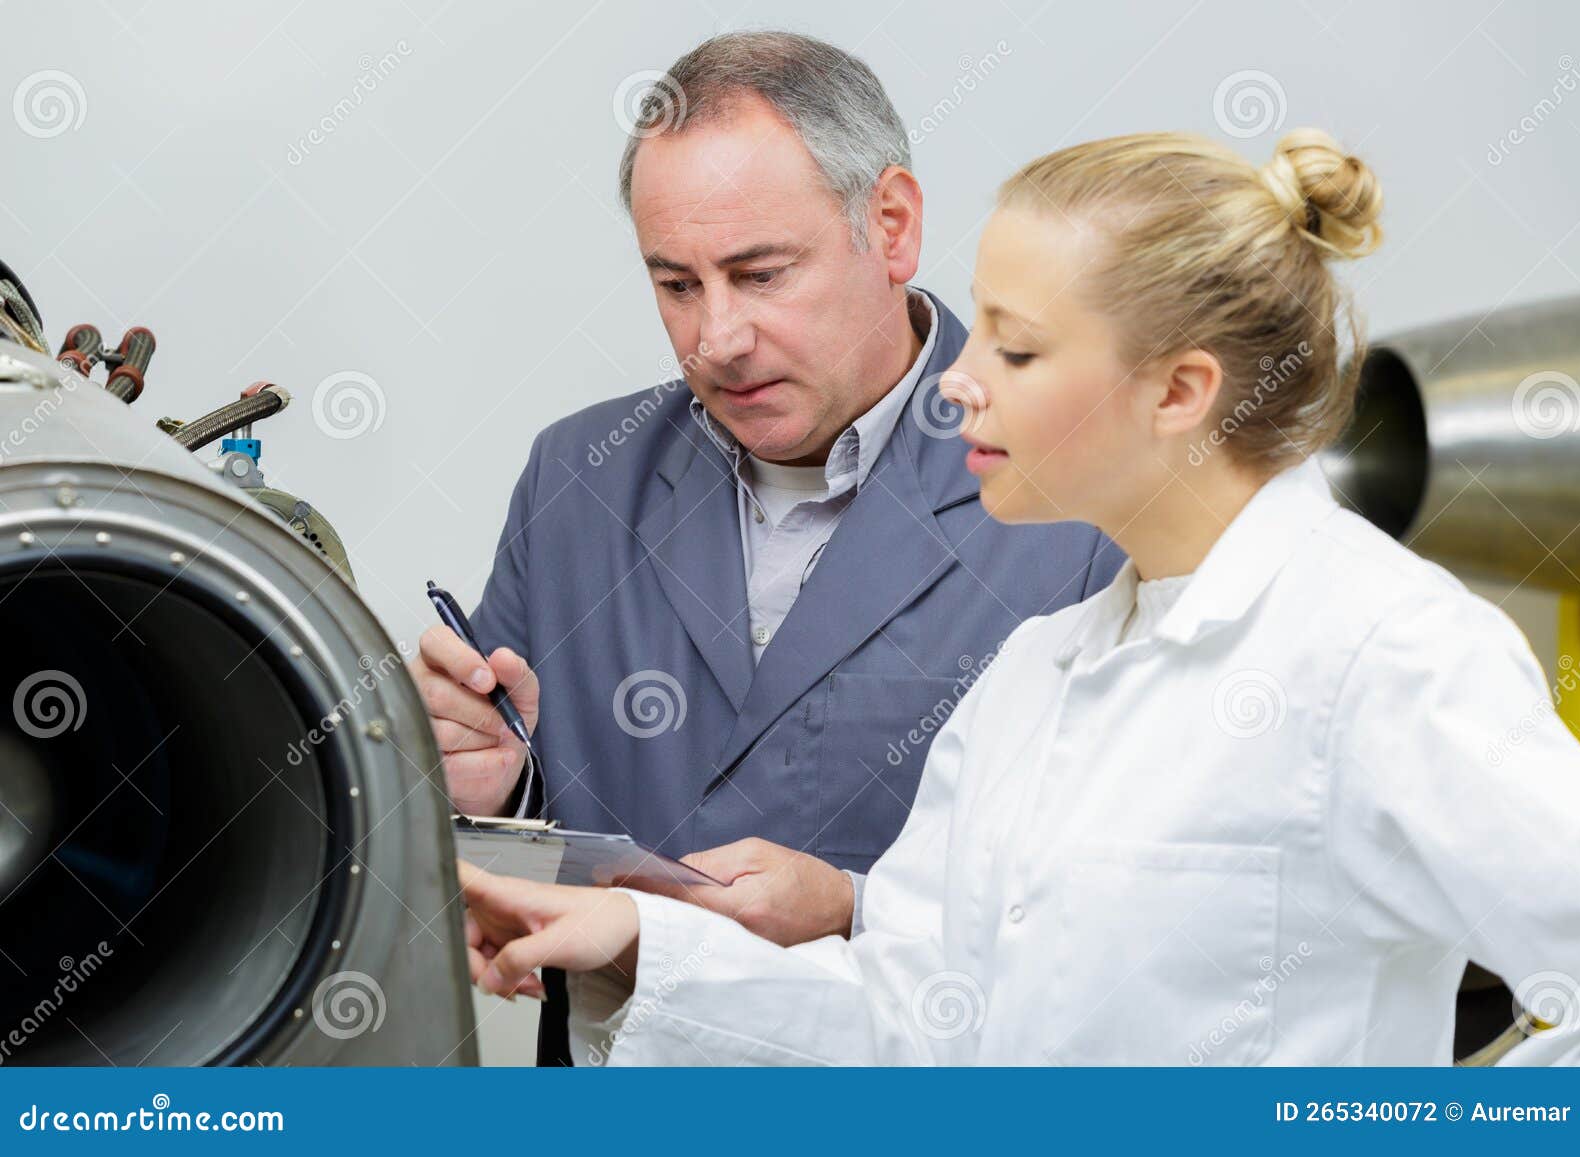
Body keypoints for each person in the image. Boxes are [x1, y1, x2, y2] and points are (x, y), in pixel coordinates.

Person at [456, 128, 1580, 1065]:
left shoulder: (1383, 648)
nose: (954, 381)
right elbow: (907, 1014)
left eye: (1014, 349)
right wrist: (641, 933)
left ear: (1178, 390)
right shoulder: (1037, 668)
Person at [405, 31, 1121, 1064]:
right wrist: (497, 793)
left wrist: (856, 907)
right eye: (677, 285)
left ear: (891, 226)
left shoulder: (1081, 499)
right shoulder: (577, 480)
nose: (717, 338)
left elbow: (1142, 929)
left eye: (759, 273)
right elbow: (535, 842)